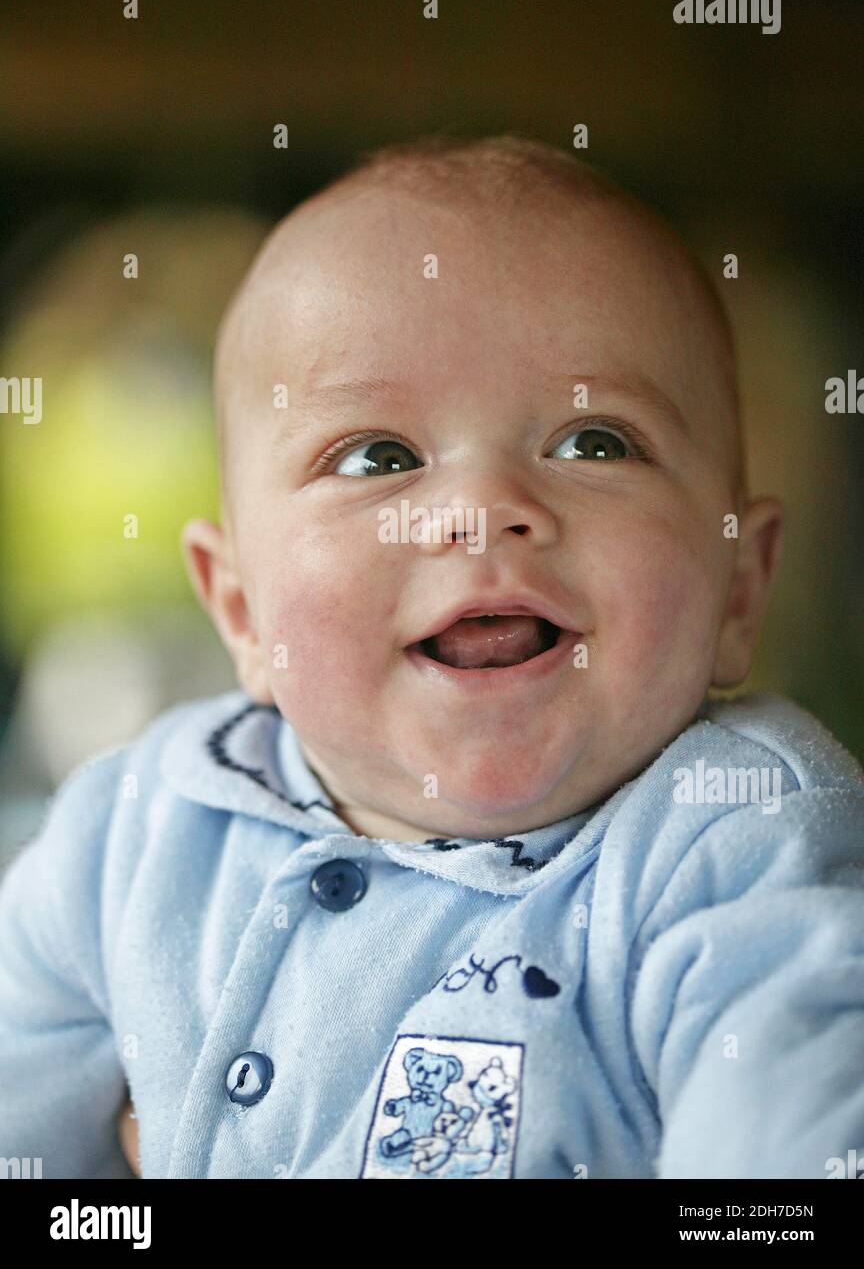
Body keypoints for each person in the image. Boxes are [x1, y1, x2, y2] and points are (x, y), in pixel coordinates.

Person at [3, 135, 863, 1180]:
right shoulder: (130, 841)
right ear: (239, 607)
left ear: (739, 586)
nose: (483, 509)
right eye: (378, 456)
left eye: (595, 441)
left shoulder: (735, 844)